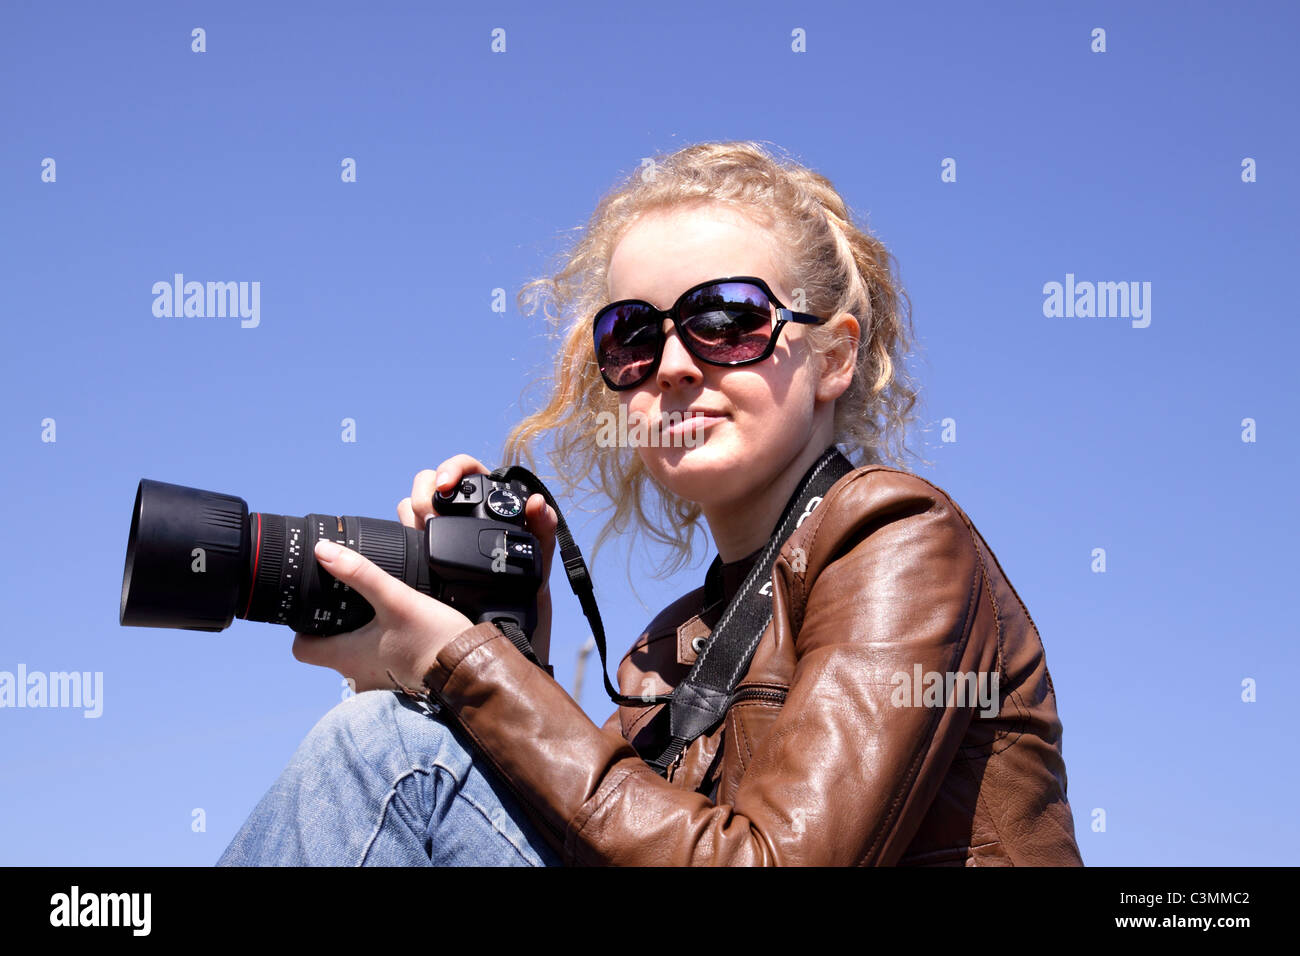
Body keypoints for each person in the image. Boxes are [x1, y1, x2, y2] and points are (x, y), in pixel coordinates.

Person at [217, 140, 1084, 866]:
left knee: (388, 759)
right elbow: (620, 839)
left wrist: (470, 670)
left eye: (727, 319)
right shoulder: (669, 647)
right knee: (386, 726)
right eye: (633, 334)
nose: (673, 365)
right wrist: (512, 654)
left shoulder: (899, 536)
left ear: (832, 358)